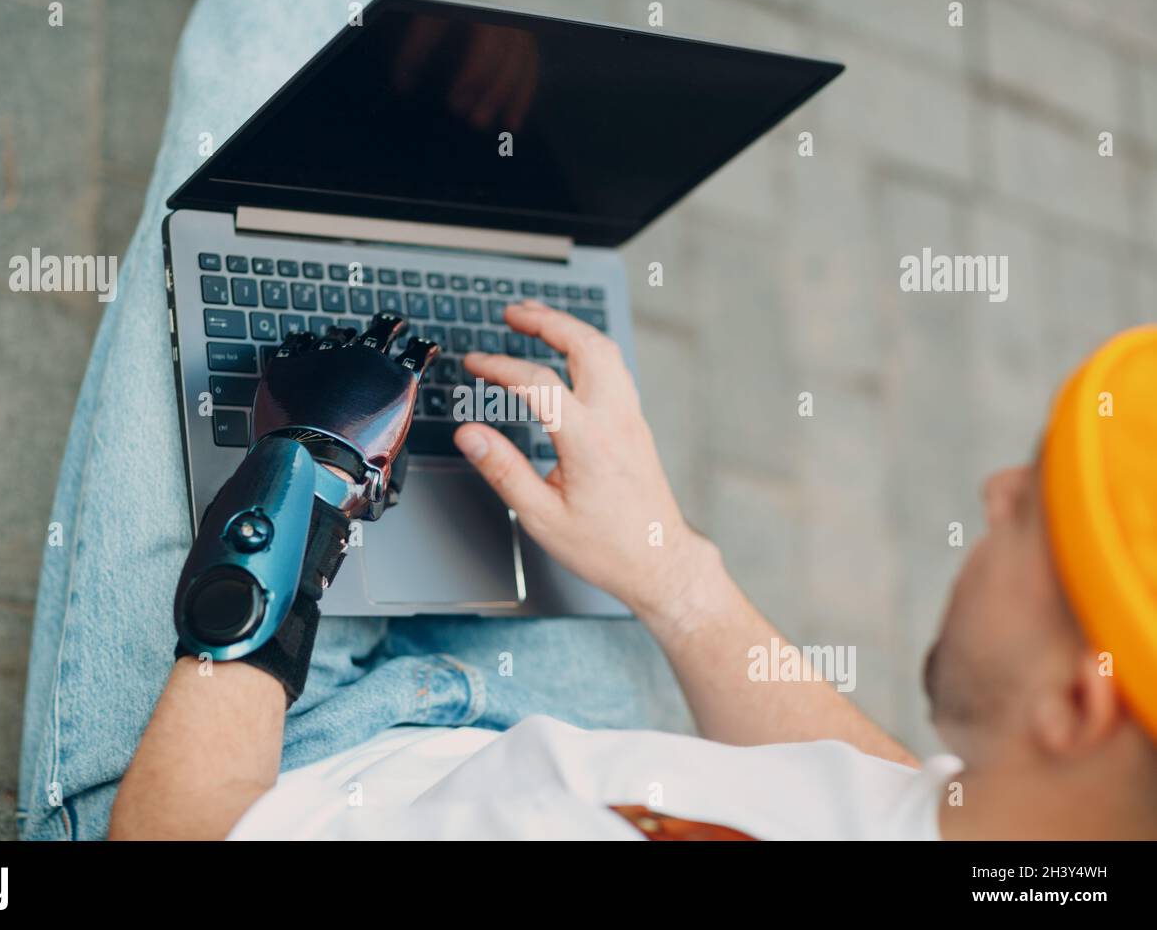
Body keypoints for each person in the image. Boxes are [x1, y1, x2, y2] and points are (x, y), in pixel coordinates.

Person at [108, 304, 1157, 840]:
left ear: (1074, 704)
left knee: (217, 205)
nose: (999, 488)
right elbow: (889, 811)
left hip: (238, 776)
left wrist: (303, 482)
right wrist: (673, 572)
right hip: (537, 756)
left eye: (1047, 512)